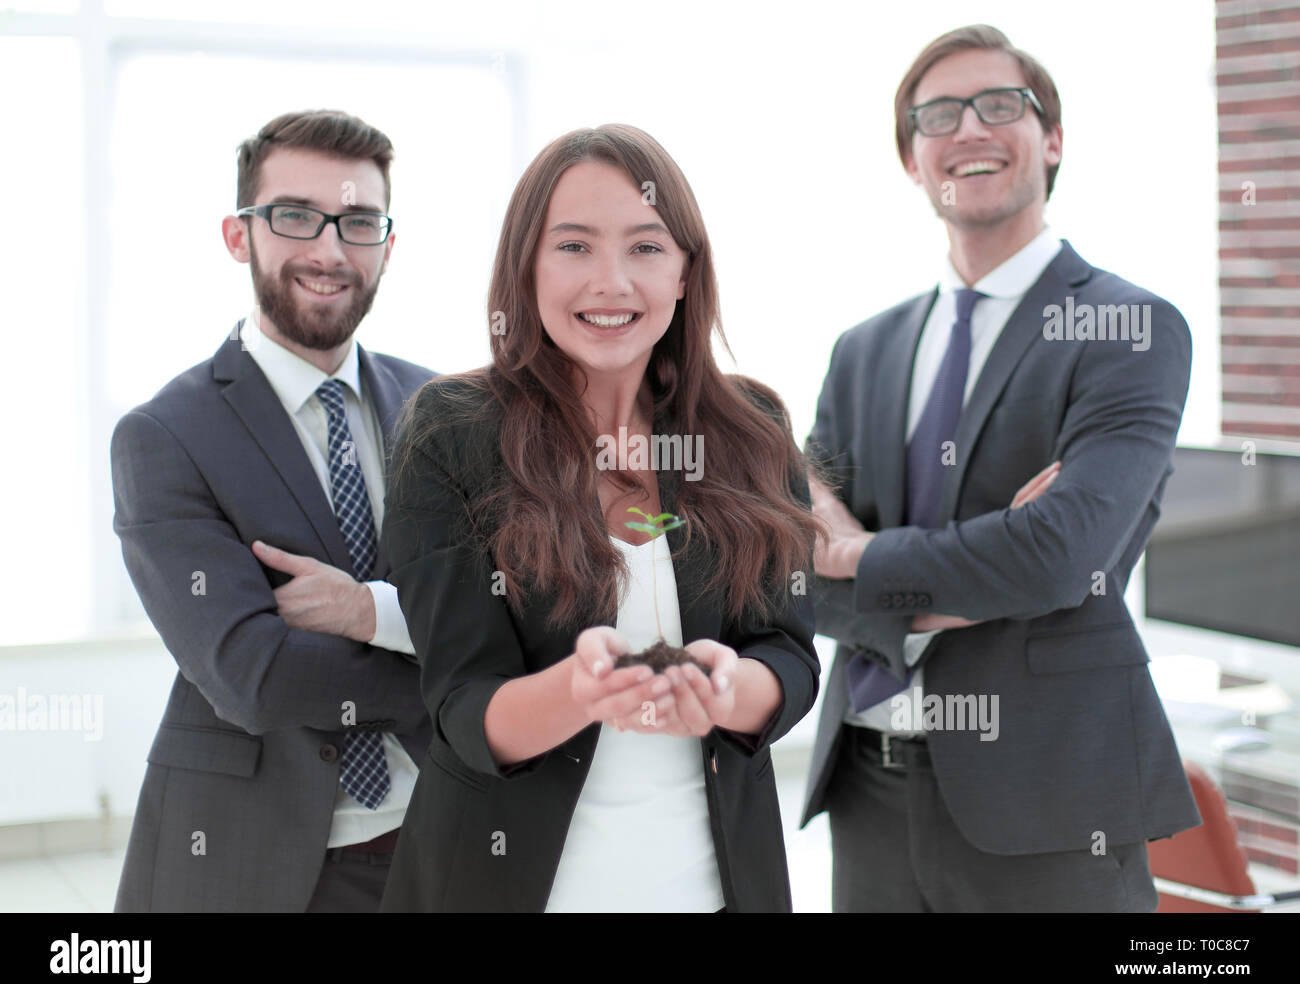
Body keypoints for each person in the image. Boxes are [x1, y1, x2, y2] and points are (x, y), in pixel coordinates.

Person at [801, 25, 1201, 911]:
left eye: (1000, 105)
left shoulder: (1128, 327)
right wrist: (977, 565)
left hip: (1049, 800)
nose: (969, 128)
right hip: (867, 788)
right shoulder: (863, 348)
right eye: (938, 114)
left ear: (1051, 139)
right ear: (912, 157)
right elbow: (790, 569)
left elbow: (1061, 556)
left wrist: (860, 555)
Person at [378, 123, 821, 912]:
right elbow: (465, 706)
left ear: (686, 272)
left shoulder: (750, 428)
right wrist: (583, 690)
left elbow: (787, 654)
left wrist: (727, 691)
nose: (611, 281)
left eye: (646, 248)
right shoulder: (452, 430)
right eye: (574, 246)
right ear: (527, 267)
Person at [111, 110, 435, 911]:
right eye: (295, 216)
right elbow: (252, 678)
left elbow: (522, 612)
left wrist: (371, 613)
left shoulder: (447, 410)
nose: (328, 251)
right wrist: (469, 676)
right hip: (260, 866)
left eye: (358, 222)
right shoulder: (166, 435)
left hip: (445, 844)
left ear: (388, 246)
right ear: (238, 234)